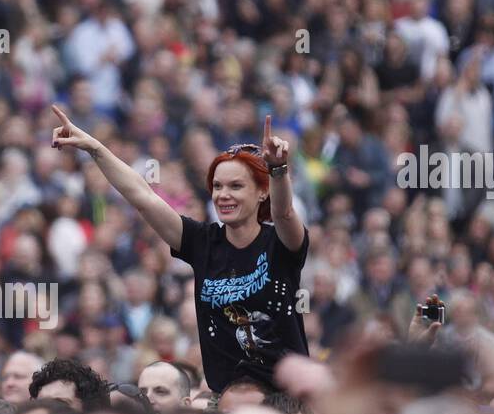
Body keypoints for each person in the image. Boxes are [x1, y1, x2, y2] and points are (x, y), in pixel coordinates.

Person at [51, 107, 308, 392]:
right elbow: (143, 198)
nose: (223, 195)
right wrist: (94, 147)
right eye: (217, 186)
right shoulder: (203, 241)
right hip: (227, 399)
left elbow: (283, 213)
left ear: (262, 192)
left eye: (236, 186)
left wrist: (278, 170)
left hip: (286, 399)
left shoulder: (279, 242)